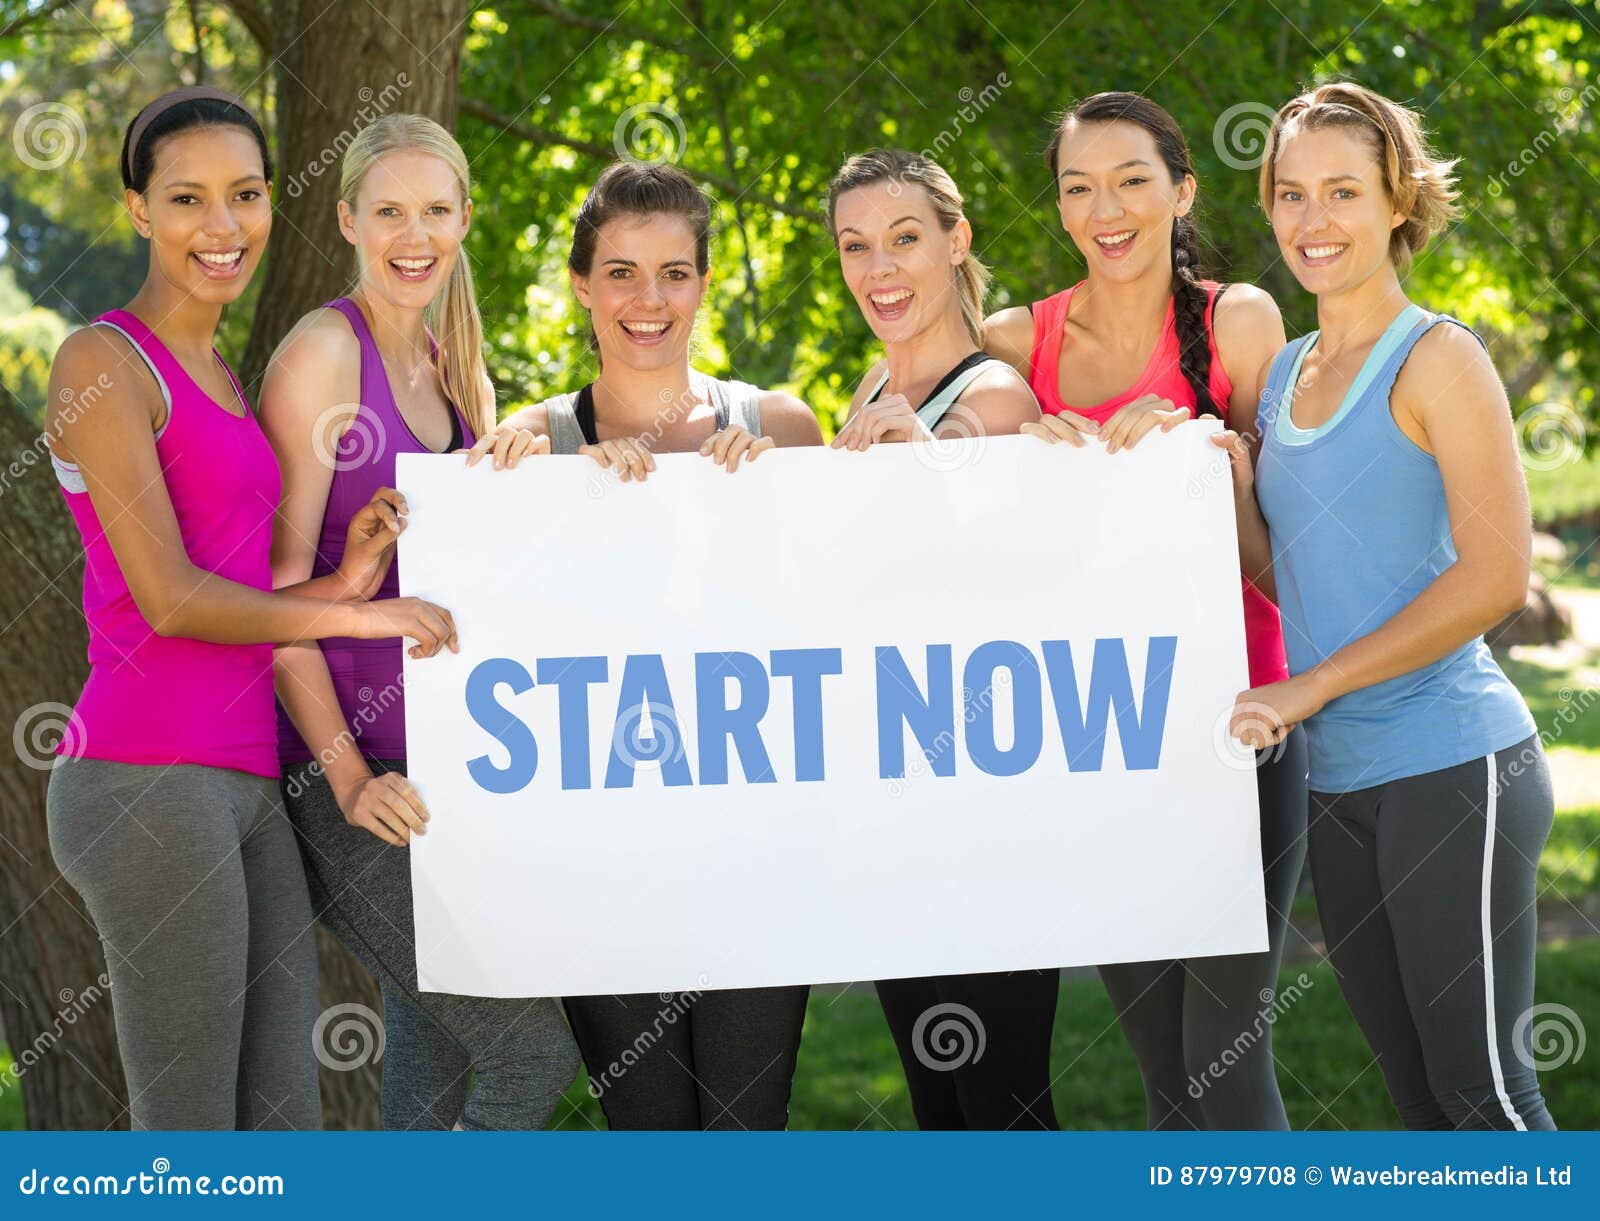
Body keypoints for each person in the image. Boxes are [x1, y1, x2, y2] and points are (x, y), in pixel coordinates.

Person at [42, 87, 456, 1130]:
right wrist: (358, 619)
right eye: (187, 198)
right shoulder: (103, 362)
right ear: (138, 209)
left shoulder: (222, 372)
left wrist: (346, 582)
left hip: (246, 779)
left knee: (283, 1128)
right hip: (144, 776)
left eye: (246, 194)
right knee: (188, 1136)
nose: (222, 224)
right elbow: (170, 599)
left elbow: (251, 585)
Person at [1223, 81, 1555, 1130]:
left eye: (1343, 192)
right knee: (1419, 1108)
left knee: (1486, 1098)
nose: (1312, 220)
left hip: (1452, 765)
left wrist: (1308, 686)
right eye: (1290, 194)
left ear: (1398, 201)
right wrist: (1235, 491)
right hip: (1339, 785)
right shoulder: (1284, 372)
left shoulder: (1439, 358)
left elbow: (1496, 578)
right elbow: (1290, 575)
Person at [986, 91, 1305, 1130]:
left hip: (1241, 722)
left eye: (1132, 180)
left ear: (1183, 191)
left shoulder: (1239, 319)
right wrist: (993, 446)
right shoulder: (1011, 343)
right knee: (1165, 1073)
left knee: (1225, 1060)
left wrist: (1211, 465)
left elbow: (1284, 570)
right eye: (1079, 187)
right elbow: (906, 444)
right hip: (1102, 736)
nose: (1106, 208)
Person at [486, 158, 823, 1129]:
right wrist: (553, 500)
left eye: (674, 273)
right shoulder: (531, 446)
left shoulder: (780, 427)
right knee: (649, 1137)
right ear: (581, 286)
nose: (649, 300)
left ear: (703, 284)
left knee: (743, 1133)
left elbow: (842, 631)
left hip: (754, 853)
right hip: (601, 865)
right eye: (622, 273)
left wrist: (776, 501)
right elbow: (488, 639)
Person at [263, 114, 580, 1131]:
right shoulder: (323, 354)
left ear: (465, 220)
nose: (415, 236)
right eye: (390, 212)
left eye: (435, 211)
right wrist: (348, 780)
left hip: (441, 769)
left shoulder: (453, 368)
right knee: (531, 1056)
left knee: (432, 1064)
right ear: (347, 219)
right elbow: (271, 609)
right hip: (346, 777)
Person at [826, 146, 1049, 1130]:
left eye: (904, 238)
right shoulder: (867, 393)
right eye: (855, 245)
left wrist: (924, 467)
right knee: (939, 1106)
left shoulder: (993, 396)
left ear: (956, 243)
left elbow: (1003, 580)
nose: (879, 269)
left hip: (987, 810)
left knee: (1003, 1104)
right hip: (896, 803)